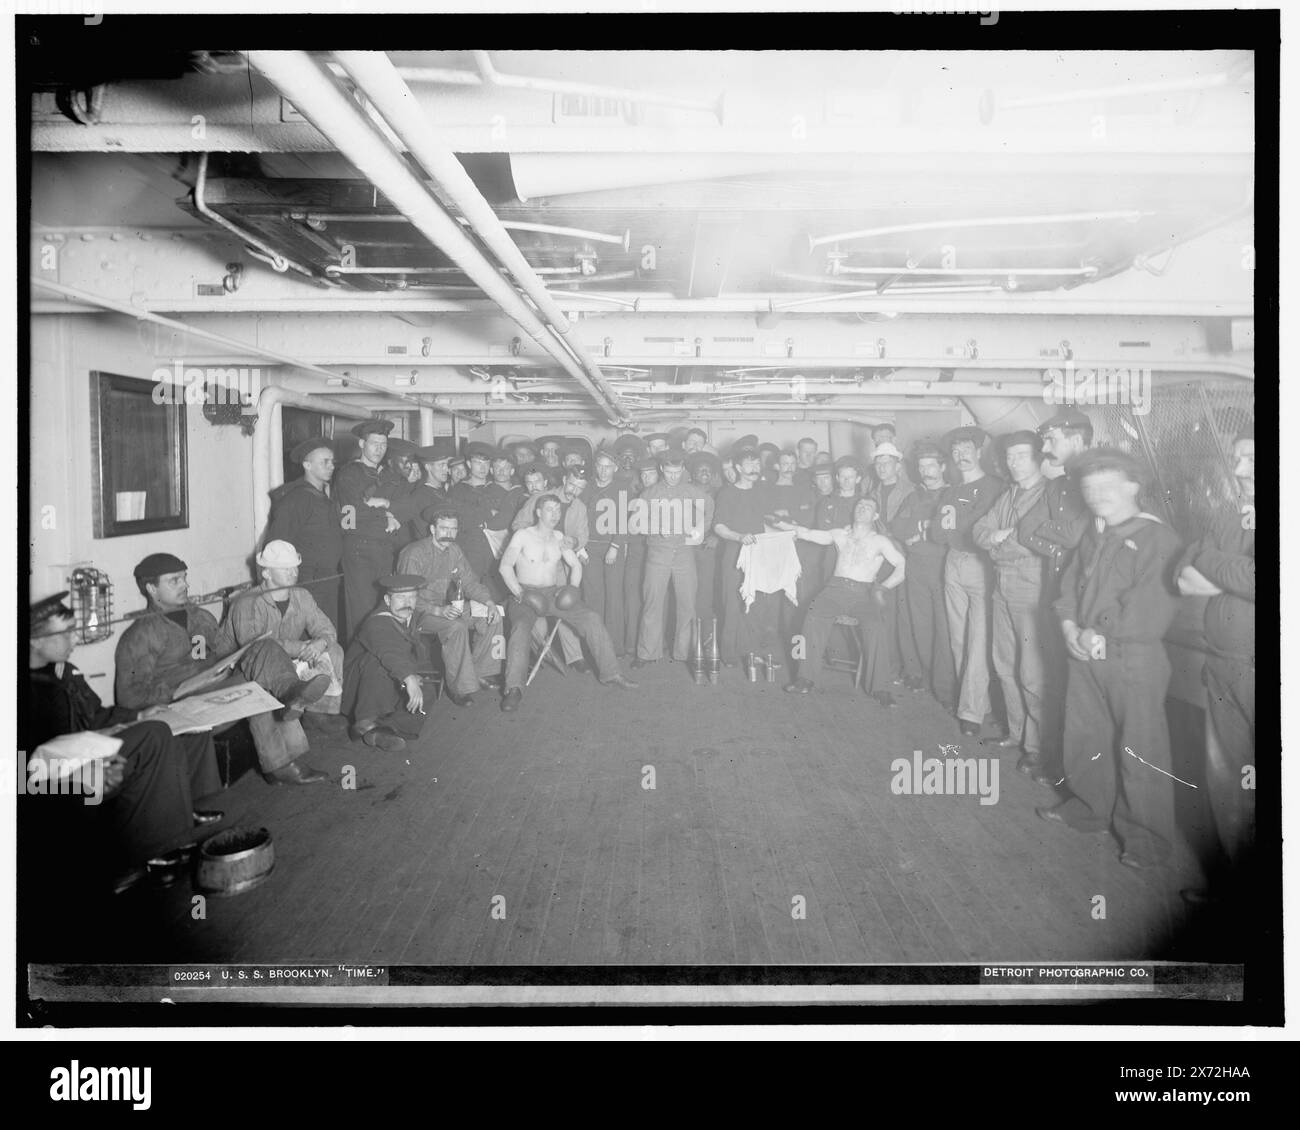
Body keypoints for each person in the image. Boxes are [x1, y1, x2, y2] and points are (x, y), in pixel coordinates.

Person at [1037, 449, 1184, 871]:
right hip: (1084, 651)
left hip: (1131, 658)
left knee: (1140, 749)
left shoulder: (1158, 539)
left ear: (1133, 487)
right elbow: (1066, 590)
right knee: (1085, 737)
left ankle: (1147, 840)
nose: (1096, 495)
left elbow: (1147, 611)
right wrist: (1070, 630)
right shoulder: (1095, 533)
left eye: (1107, 486)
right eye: (1089, 488)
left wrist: (1093, 632)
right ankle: (1089, 810)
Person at [28, 593, 224, 893]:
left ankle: (181, 818)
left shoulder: (65, 673)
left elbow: (96, 714)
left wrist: (137, 714)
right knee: (154, 735)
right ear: (34, 640)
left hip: (88, 753)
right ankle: (150, 853)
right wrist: (71, 776)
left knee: (176, 722)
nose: (75, 640)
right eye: (64, 633)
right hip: (54, 782)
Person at [114, 553, 329, 785]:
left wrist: (231, 663)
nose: (185, 585)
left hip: (215, 688)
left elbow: (219, 653)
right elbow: (129, 697)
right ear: (151, 589)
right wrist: (173, 691)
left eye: (184, 578)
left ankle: (291, 692)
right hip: (181, 704)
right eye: (174, 581)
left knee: (264, 648)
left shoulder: (201, 617)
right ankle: (281, 765)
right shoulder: (140, 635)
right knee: (257, 684)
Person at [1176, 430, 1254, 903]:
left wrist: (1211, 562)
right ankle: (1235, 891)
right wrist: (1231, 572)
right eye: (1237, 459)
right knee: (1227, 781)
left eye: (1252, 459)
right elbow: (1184, 577)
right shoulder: (1229, 516)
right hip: (1224, 664)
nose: (1240, 471)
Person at [498, 495, 638, 712]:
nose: (554, 515)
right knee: (520, 629)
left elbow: (576, 565)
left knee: (591, 618)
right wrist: (520, 593)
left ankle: (612, 673)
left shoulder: (559, 537)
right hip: (525, 593)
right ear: (538, 512)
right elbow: (505, 567)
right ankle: (513, 688)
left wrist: (572, 588)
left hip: (552, 593)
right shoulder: (522, 535)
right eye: (549, 510)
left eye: (557, 510)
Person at [1019, 409, 1095, 785]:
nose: (1045, 448)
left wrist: (1060, 538)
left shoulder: (1095, 480)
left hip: (1086, 599)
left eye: (1053, 440)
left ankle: (1075, 775)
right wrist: (1059, 541)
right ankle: (1056, 764)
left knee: (1080, 693)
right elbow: (1025, 529)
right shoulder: (1057, 485)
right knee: (1055, 682)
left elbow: (1076, 537)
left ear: (1078, 439)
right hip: (1055, 591)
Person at [779, 497, 907, 707]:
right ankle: (805, 679)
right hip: (834, 590)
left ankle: (881, 688)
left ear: (875, 516)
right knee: (811, 616)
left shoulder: (880, 541)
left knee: (876, 627)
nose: (862, 509)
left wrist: (883, 588)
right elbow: (808, 534)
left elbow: (902, 565)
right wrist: (784, 525)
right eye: (860, 505)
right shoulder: (840, 534)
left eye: (869, 507)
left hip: (863, 593)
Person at [974, 432, 1050, 773]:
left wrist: (995, 544)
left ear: (1038, 457)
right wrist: (993, 537)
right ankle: (1016, 733)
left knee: (1031, 670)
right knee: (1003, 662)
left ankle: (1037, 746)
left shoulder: (1049, 494)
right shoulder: (1008, 495)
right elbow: (980, 528)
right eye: (1010, 457)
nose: (1015, 462)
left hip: (1030, 584)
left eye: (1022, 455)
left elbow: (1028, 541)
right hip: (1002, 584)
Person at [220, 540, 347, 734]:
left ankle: (317, 714)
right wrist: (301, 647)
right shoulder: (247, 602)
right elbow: (255, 645)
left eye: (295, 567)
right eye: (285, 569)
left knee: (333, 649)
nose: (293, 573)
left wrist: (320, 643)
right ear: (266, 573)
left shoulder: (301, 596)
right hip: (246, 665)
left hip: (286, 660)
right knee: (268, 650)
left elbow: (326, 629)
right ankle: (293, 697)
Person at [931, 426, 1005, 738]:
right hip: (953, 562)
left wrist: (960, 530)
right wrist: (959, 530)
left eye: (966, 450)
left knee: (978, 640)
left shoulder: (996, 487)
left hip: (981, 565)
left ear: (978, 452)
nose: (961, 456)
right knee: (959, 640)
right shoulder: (949, 490)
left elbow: (980, 532)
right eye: (955, 452)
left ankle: (971, 712)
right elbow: (937, 533)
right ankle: (976, 701)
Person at [396, 505, 503, 706]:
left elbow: (470, 582)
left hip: (445, 607)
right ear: (432, 529)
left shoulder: (454, 550)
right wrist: (437, 610)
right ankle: (459, 688)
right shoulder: (414, 553)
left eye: (453, 529)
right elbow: (404, 598)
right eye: (444, 528)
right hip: (417, 613)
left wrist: (489, 603)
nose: (449, 534)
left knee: (493, 615)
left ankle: (483, 673)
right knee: (456, 626)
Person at [890, 443, 956, 708]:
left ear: (942, 467)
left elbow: (954, 529)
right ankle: (929, 678)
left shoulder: (953, 495)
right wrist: (917, 532)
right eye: (921, 466)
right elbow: (898, 526)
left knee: (945, 629)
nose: (926, 471)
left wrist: (926, 529)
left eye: (931, 465)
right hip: (916, 567)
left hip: (943, 568)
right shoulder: (914, 497)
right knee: (921, 627)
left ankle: (946, 689)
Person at [635, 449, 714, 666]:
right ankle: (647, 653)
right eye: (669, 472)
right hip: (657, 553)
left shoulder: (691, 491)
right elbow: (637, 523)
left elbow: (710, 509)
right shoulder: (649, 493)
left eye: (677, 472)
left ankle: (684, 653)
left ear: (683, 470)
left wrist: (698, 532)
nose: (673, 476)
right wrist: (658, 529)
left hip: (683, 553)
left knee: (687, 603)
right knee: (652, 602)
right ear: (662, 469)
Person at [341, 574, 431, 752]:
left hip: (386, 681)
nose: (408, 602)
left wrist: (413, 676)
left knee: (424, 691)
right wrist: (409, 679)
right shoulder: (377, 622)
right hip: (358, 686)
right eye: (401, 597)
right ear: (387, 600)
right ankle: (365, 722)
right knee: (378, 662)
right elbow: (389, 652)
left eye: (412, 597)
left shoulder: (409, 617)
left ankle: (382, 729)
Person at [334, 419, 405, 639]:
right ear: (362, 444)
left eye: (383, 445)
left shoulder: (389, 475)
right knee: (361, 614)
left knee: (383, 611)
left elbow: (401, 507)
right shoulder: (349, 474)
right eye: (374, 443)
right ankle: (357, 669)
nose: (379, 449)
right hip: (359, 551)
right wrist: (385, 512)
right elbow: (351, 517)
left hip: (385, 551)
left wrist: (384, 506)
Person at [713, 446, 783, 668]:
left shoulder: (762, 491)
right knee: (732, 604)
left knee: (756, 604)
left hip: (759, 555)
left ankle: (752, 652)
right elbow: (719, 526)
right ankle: (729, 654)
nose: (754, 468)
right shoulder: (727, 493)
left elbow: (768, 522)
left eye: (756, 464)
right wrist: (738, 536)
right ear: (738, 467)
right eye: (749, 464)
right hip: (734, 555)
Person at [266, 437, 344, 631]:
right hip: (308, 583)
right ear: (307, 465)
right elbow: (276, 545)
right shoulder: (297, 499)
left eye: (332, 461)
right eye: (324, 462)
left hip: (328, 580)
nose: (331, 466)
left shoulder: (324, 498)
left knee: (327, 635)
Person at [870, 440, 916, 684]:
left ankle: (907, 669)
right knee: (884, 614)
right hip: (881, 561)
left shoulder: (911, 492)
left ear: (898, 466)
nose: (882, 467)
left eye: (887, 463)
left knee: (904, 616)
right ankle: (887, 666)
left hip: (904, 559)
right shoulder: (872, 493)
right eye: (878, 463)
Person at [584, 447, 631, 656]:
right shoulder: (585, 488)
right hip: (588, 548)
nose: (603, 471)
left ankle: (615, 647)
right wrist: (579, 547)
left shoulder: (622, 489)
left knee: (614, 597)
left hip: (612, 548)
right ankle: (595, 646)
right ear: (595, 467)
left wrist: (615, 547)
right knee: (593, 597)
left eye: (608, 467)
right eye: (600, 466)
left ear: (616, 468)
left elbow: (624, 522)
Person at [449, 441, 506, 588]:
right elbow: (460, 519)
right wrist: (488, 513)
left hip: (494, 550)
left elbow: (505, 517)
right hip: (468, 549)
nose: (483, 467)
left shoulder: (497, 490)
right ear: (468, 463)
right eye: (478, 463)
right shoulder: (458, 491)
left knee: (495, 591)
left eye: (486, 463)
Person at [623, 456, 659, 656]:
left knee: (654, 600)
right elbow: (631, 527)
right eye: (643, 474)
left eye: (651, 473)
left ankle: (653, 645)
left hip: (657, 553)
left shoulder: (667, 497)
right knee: (632, 596)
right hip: (636, 552)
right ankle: (630, 643)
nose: (646, 478)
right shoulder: (635, 497)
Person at [389, 437, 456, 543]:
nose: (446, 470)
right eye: (441, 465)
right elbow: (394, 515)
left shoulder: (442, 491)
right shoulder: (420, 495)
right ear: (428, 467)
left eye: (447, 465)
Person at [687, 451, 725, 632]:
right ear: (693, 474)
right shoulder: (685, 493)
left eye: (708, 471)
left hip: (707, 549)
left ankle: (705, 634)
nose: (704, 473)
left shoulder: (719, 494)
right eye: (701, 470)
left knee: (705, 592)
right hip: (685, 549)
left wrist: (716, 536)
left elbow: (724, 518)